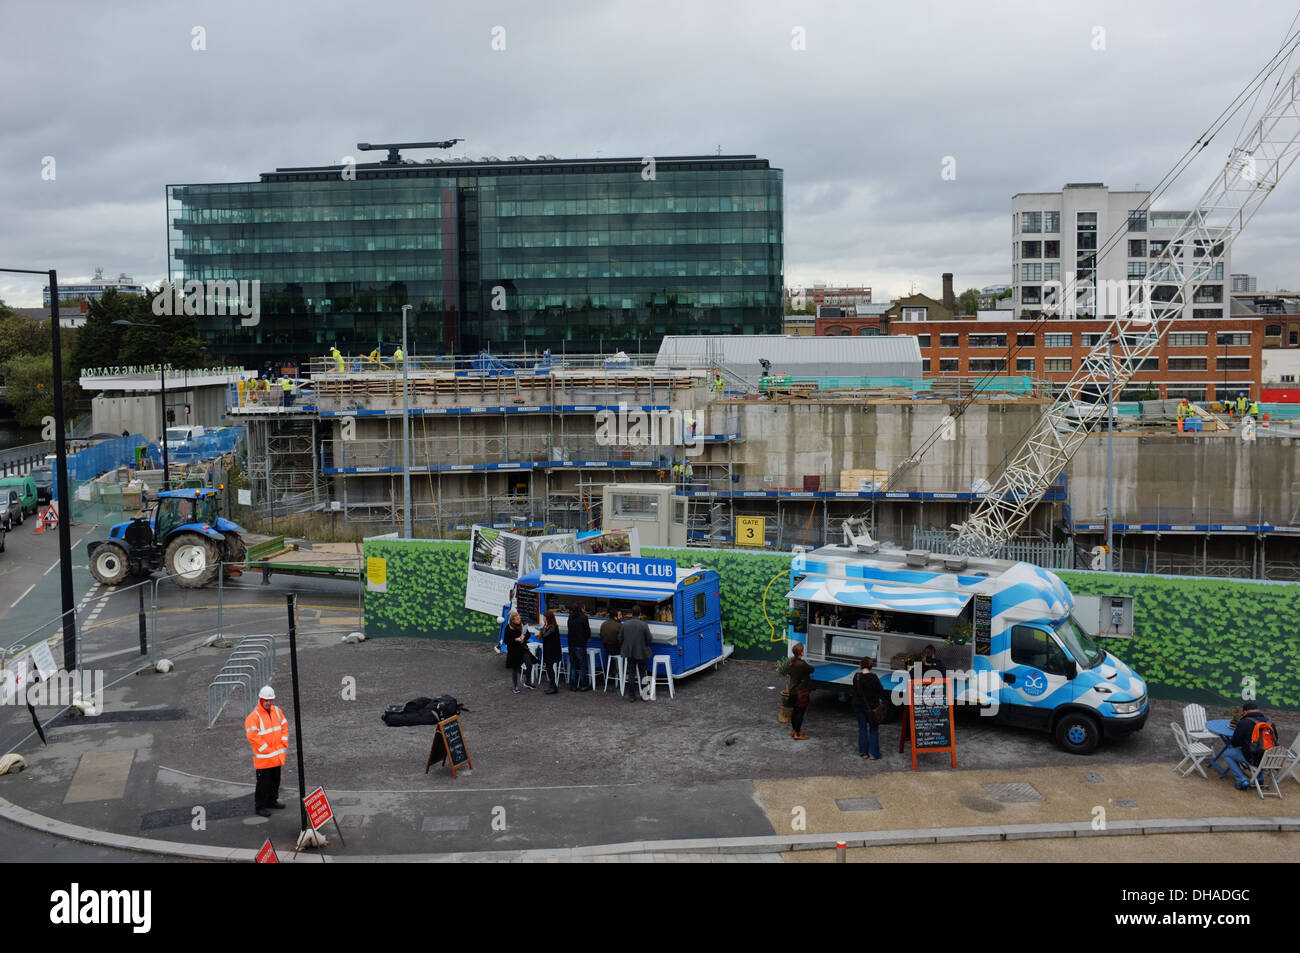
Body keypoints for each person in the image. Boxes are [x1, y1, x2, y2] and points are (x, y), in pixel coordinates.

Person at [244, 686, 289, 817]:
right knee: (263, 784)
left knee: (275, 780)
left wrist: (283, 742)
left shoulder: (277, 711)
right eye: (266, 700)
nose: (269, 703)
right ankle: (260, 806)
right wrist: (265, 748)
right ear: (261, 699)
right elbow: (252, 736)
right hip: (264, 758)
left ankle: (272, 801)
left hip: (276, 756)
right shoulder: (254, 716)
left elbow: (284, 726)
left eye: (271, 700)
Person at [1213, 702, 1277, 789]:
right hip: (1270, 758)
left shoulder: (1244, 722)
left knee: (1228, 753)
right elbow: (1275, 739)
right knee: (1262, 749)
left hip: (1253, 758)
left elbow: (1235, 743)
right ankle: (1259, 778)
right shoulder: (1269, 722)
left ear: (1245, 712)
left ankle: (1242, 780)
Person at [852, 656, 885, 759]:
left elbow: (855, 690)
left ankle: (863, 753)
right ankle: (873, 754)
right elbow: (881, 691)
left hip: (858, 706)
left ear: (861, 665)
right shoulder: (874, 677)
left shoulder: (856, 677)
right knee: (873, 729)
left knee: (862, 728)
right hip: (872, 707)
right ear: (871, 666)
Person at [618, 607, 653, 702]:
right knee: (643, 673)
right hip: (642, 652)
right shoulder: (644, 625)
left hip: (629, 653)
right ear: (640, 613)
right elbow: (650, 639)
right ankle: (645, 695)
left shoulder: (625, 624)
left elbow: (620, 638)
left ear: (631, 613)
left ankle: (632, 696)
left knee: (631, 674)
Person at [786, 642, 814, 740]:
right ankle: (797, 733)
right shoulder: (801, 664)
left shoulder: (791, 662)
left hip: (793, 690)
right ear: (801, 653)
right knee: (800, 713)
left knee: (795, 712)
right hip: (800, 692)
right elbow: (811, 669)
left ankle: (794, 730)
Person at [504, 610, 535, 693]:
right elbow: (506, 641)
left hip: (523, 649)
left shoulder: (522, 625)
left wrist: (524, 637)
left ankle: (528, 682)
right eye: (517, 619)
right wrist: (515, 639)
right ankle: (515, 686)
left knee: (529, 665)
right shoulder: (508, 628)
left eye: (519, 619)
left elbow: (528, 634)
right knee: (515, 669)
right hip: (514, 651)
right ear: (513, 620)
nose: (519, 620)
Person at [566, 603, 592, 691]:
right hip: (580, 644)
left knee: (573, 665)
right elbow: (587, 630)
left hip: (571, 644)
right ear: (581, 609)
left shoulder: (570, 617)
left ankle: (573, 686)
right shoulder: (584, 618)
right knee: (582, 665)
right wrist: (587, 637)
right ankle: (583, 685)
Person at [539, 609, 563, 694]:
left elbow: (545, 635)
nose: (543, 619)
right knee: (548, 668)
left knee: (549, 667)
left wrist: (543, 629)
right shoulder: (549, 626)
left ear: (548, 618)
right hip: (549, 650)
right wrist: (543, 628)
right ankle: (553, 686)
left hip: (552, 651)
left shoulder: (553, 627)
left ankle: (553, 687)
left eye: (544, 617)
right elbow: (543, 632)